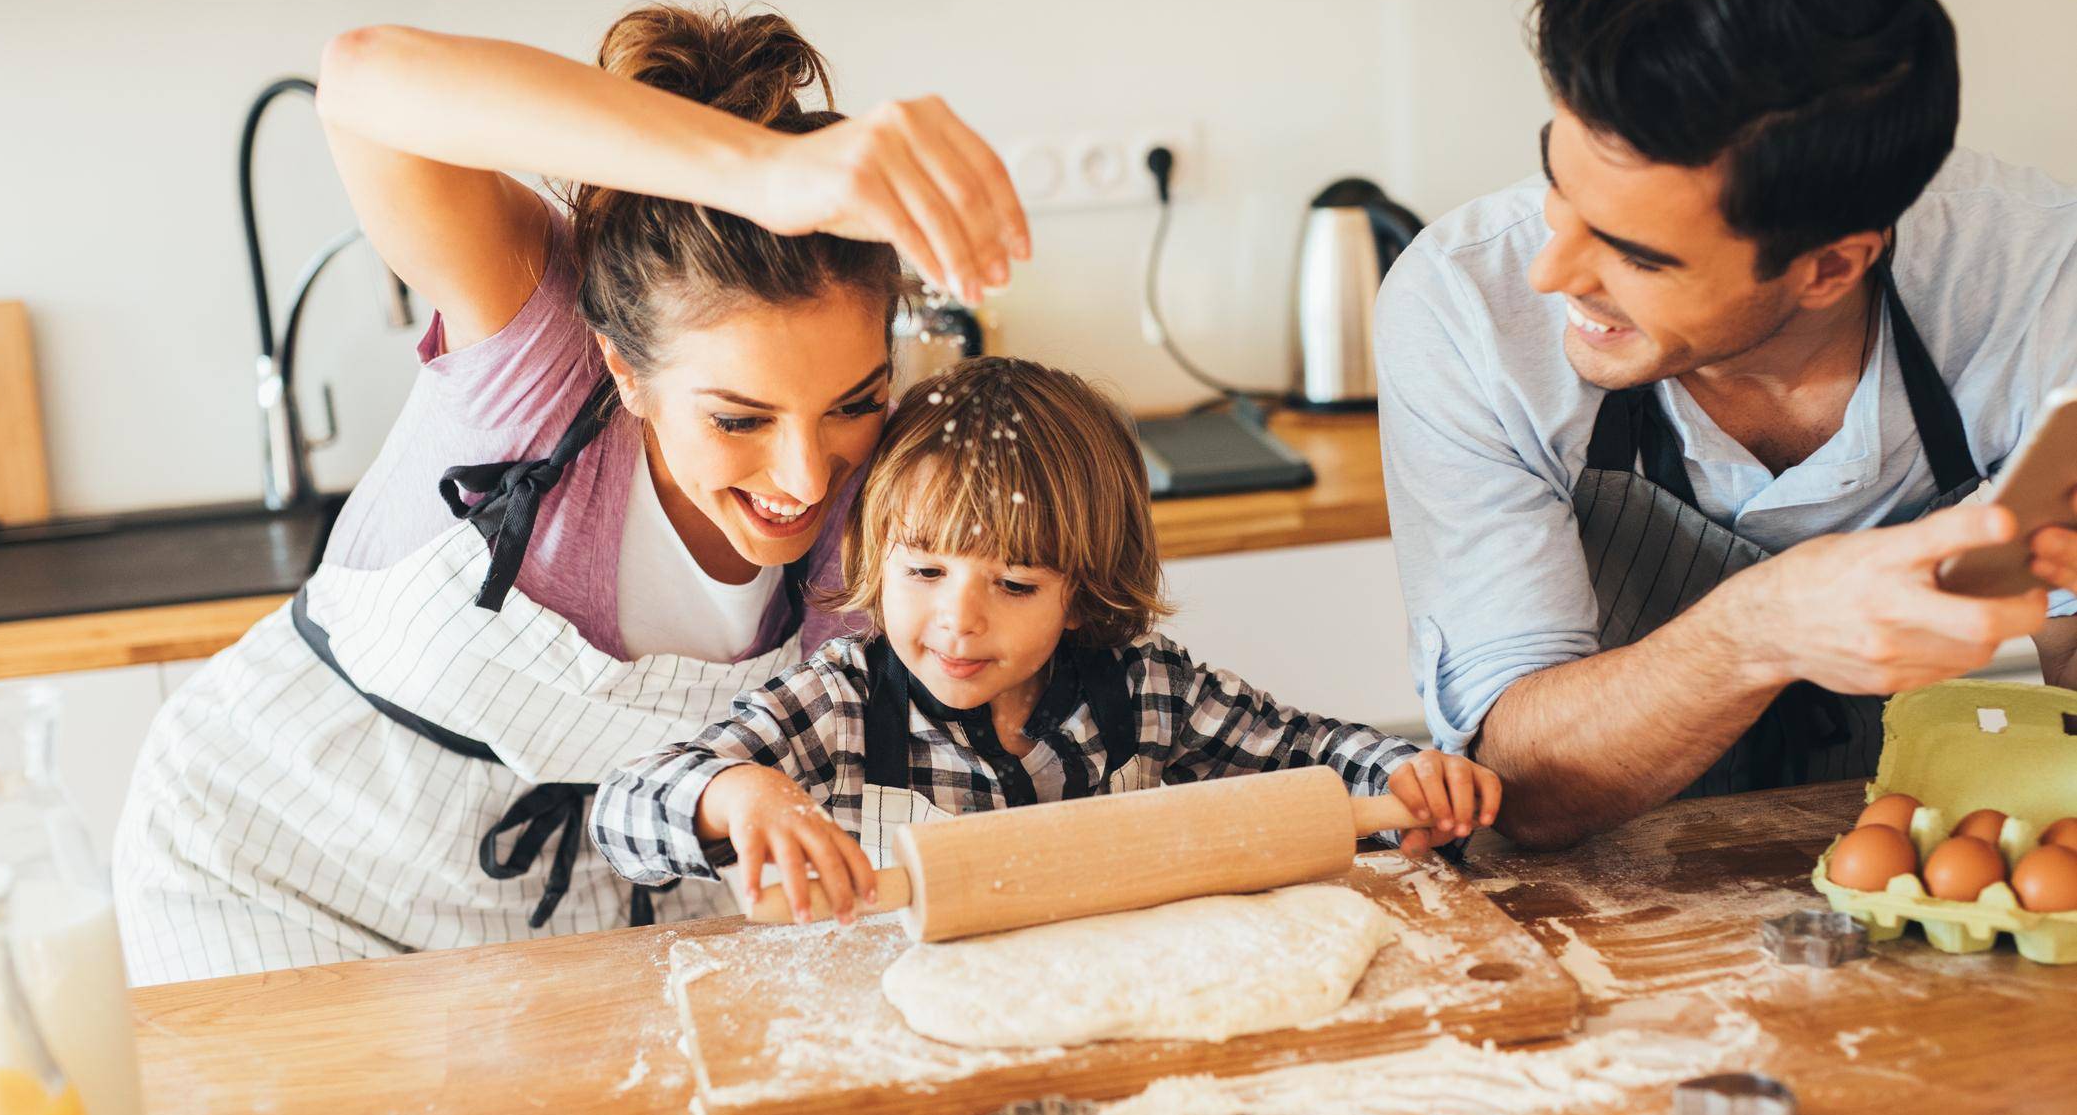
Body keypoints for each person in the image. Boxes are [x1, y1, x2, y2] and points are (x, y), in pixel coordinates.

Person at [112, 4, 1029, 983]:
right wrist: (764, 173)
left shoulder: (882, 509)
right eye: (738, 420)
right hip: (276, 867)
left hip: (579, 923)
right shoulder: (540, 358)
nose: (807, 477)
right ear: (626, 372)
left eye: (853, 402)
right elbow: (365, 77)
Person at [1375, 0, 2077, 851]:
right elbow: (1516, 784)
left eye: (1636, 255)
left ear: (1830, 267)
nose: (1552, 272)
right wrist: (1762, 625)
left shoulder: (2039, 284)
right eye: (1557, 185)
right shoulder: (1465, 304)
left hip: (1909, 847)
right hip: (1598, 877)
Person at [592, 356, 1499, 921]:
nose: (958, 619)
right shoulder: (839, 706)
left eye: (1015, 584)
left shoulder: (1146, 693)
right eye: (924, 572)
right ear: (876, 555)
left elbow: (1316, 758)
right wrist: (735, 793)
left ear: (1081, 592)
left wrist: (1408, 779)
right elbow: (622, 812)